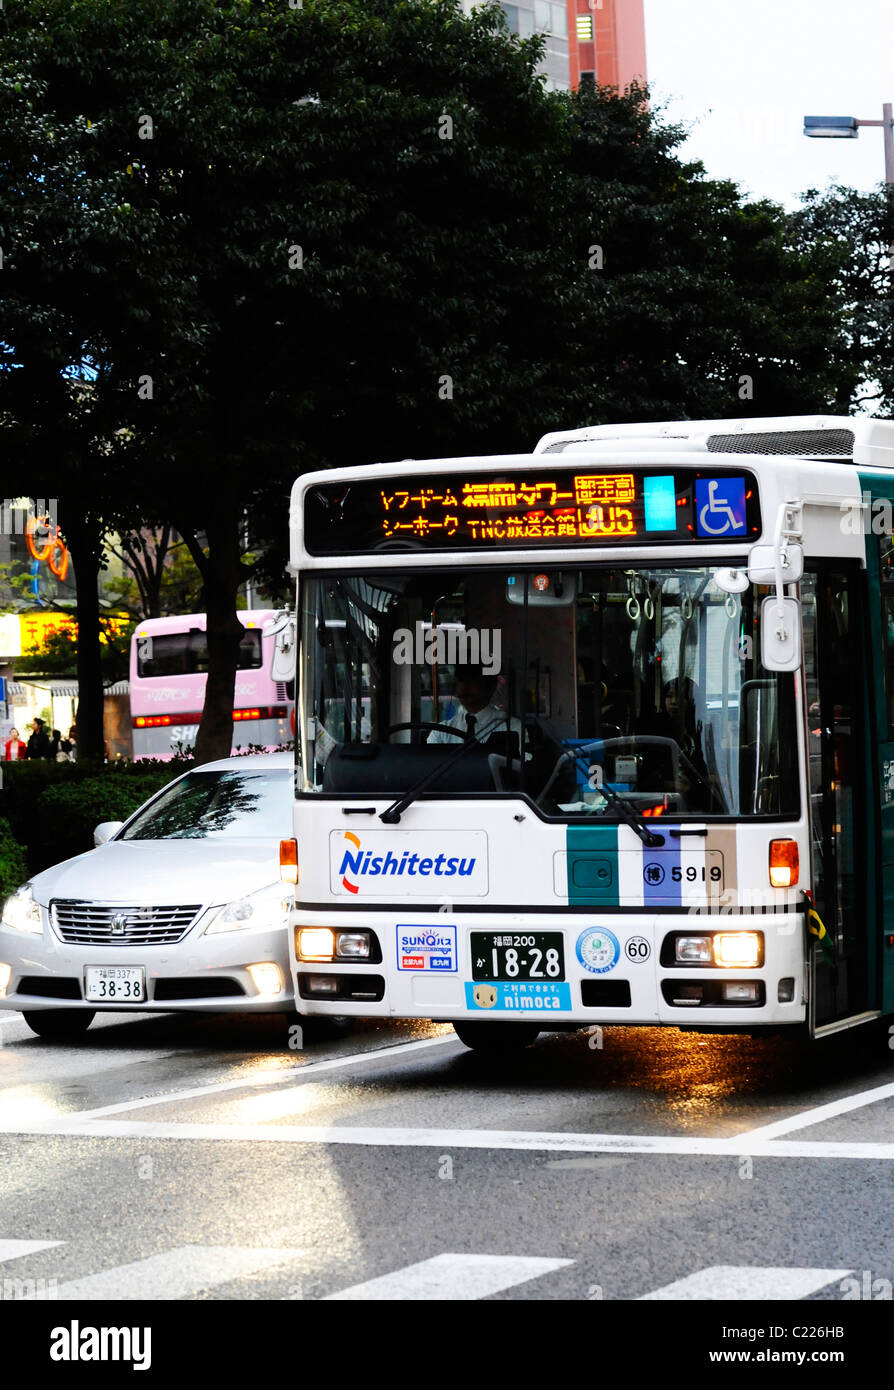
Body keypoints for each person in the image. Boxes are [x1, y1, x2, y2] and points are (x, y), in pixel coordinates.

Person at [427, 668, 522, 747]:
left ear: (490, 686)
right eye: (460, 680)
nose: (463, 688)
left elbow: (522, 764)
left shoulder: (512, 727)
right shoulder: (440, 732)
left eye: (472, 680)